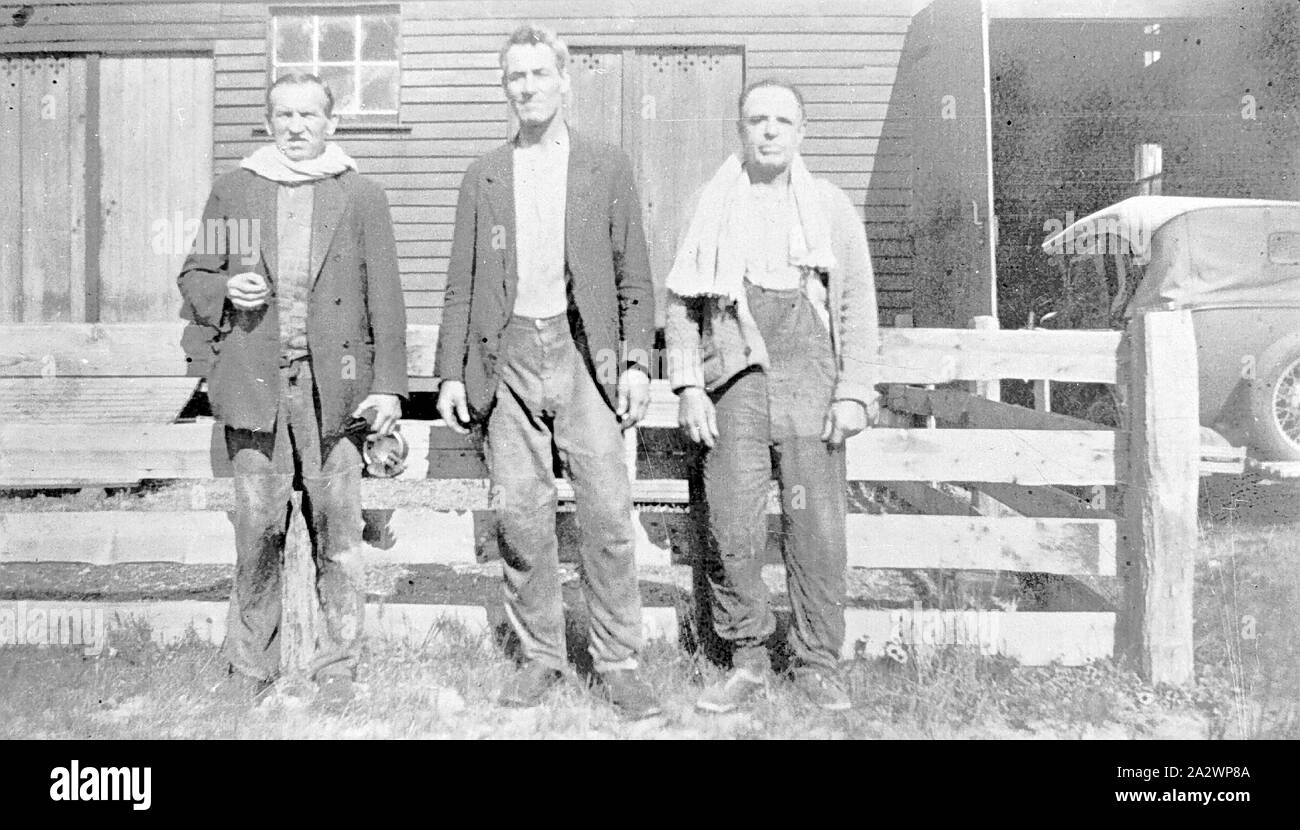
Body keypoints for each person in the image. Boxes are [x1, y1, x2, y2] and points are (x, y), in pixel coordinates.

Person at [434, 25, 660, 720]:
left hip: (582, 352)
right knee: (522, 519)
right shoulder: (485, 174)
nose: (527, 87)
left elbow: (635, 275)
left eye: (539, 74)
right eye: (515, 77)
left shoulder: (605, 165)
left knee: (606, 515)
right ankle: (540, 658)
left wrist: (635, 360)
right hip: (508, 359)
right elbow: (461, 283)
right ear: (505, 87)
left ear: (564, 80)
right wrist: (449, 373)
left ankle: (619, 663)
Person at [178, 73, 408, 705]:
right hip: (257, 387)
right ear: (268, 120)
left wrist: (389, 387)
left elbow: (386, 299)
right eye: (284, 115)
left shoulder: (360, 195)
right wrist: (225, 291)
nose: (296, 127)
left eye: (309, 115)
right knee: (258, 532)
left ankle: (339, 666)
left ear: (331, 123)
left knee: (338, 530)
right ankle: (251, 668)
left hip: (336, 393)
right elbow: (195, 276)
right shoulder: (239, 190)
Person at [664, 79, 881, 713]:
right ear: (741, 129)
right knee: (732, 521)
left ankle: (817, 661)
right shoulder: (710, 203)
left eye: (782, 121)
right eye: (757, 120)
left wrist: (854, 392)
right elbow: (679, 306)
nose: (769, 131)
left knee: (815, 524)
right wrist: (687, 386)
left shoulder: (832, 209)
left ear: (801, 132)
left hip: (810, 378)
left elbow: (858, 306)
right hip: (733, 375)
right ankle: (746, 660)